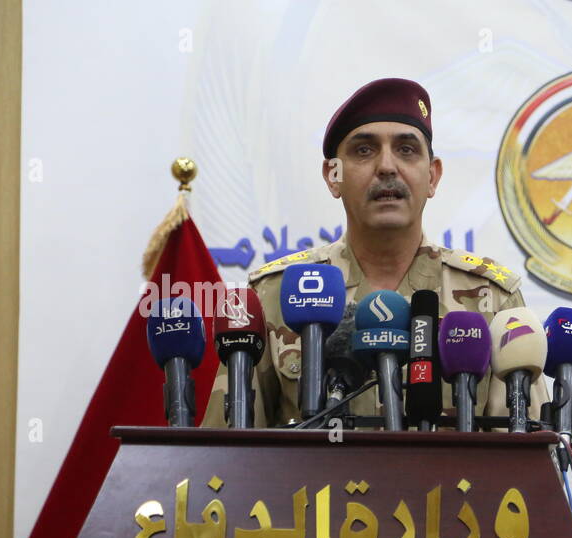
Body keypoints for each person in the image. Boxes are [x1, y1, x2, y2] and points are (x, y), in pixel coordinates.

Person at [202, 77, 547, 427]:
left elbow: (527, 459)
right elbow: (228, 459)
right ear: (332, 175)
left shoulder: (491, 299)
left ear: (432, 176)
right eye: (364, 150)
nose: (386, 167)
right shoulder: (274, 294)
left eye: (406, 150)